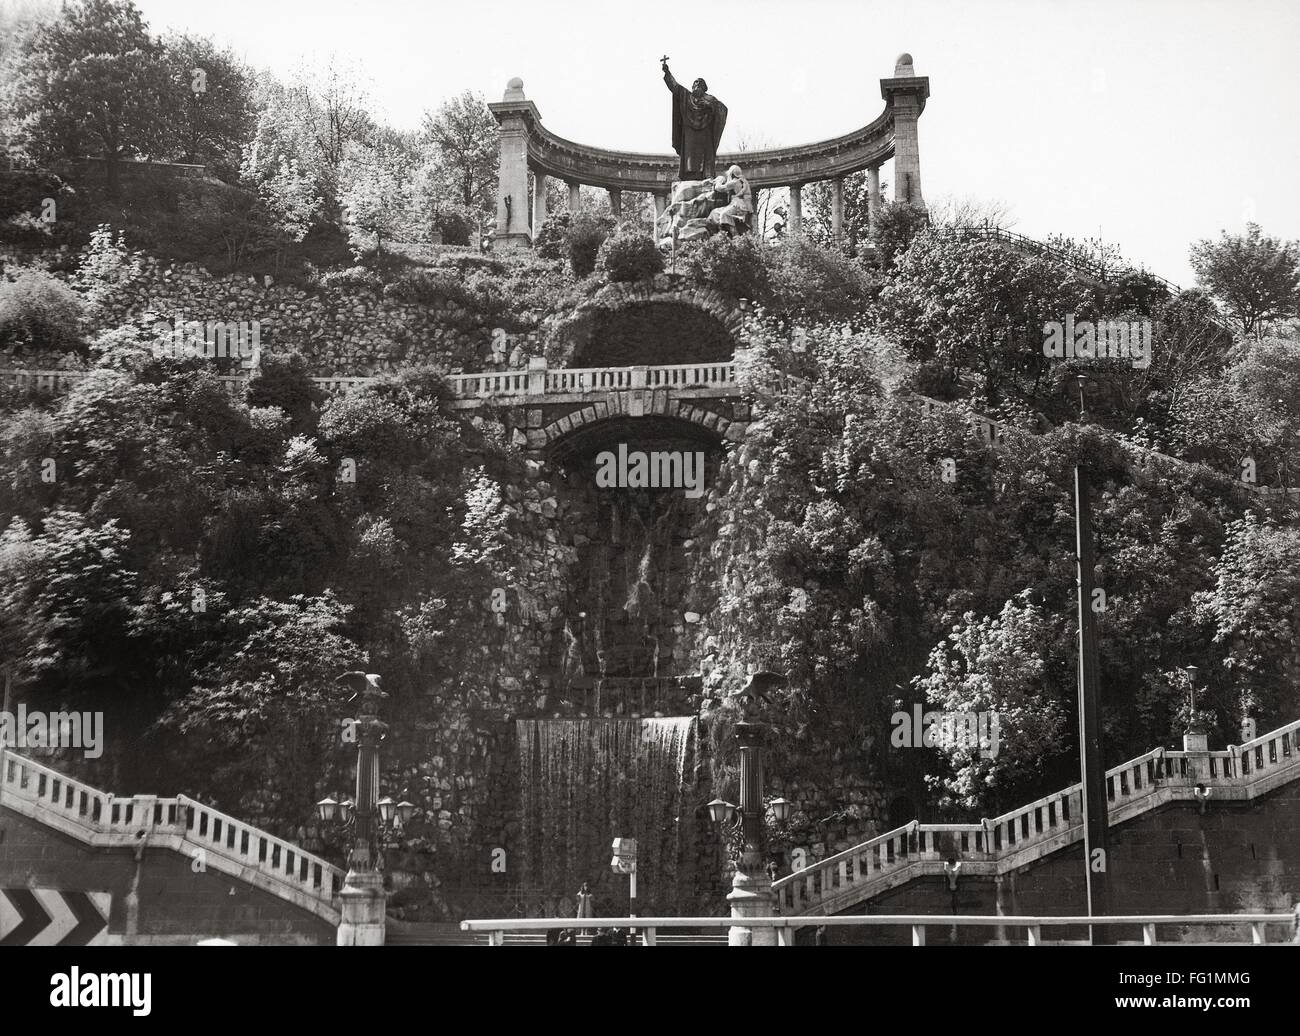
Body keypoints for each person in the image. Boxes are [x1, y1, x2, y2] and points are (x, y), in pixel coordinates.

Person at [662, 59, 728, 181]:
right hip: (690, 134)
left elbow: (722, 110)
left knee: (706, 155)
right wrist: (667, 73)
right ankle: (690, 176)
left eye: (699, 83)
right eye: (694, 83)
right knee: (690, 157)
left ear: (704, 88)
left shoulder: (710, 99)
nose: (696, 85)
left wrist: (711, 107)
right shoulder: (686, 96)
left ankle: (707, 175)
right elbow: (675, 87)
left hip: (705, 133)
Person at [707, 165, 753, 235]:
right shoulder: (744, 181)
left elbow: (719, 188)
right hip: (741, 206)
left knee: (724, 214)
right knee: (715, 212)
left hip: (739, 206)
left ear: (731, 173)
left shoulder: (734, 182)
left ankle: (735, 236)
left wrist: (720, 179)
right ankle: (720, 233)